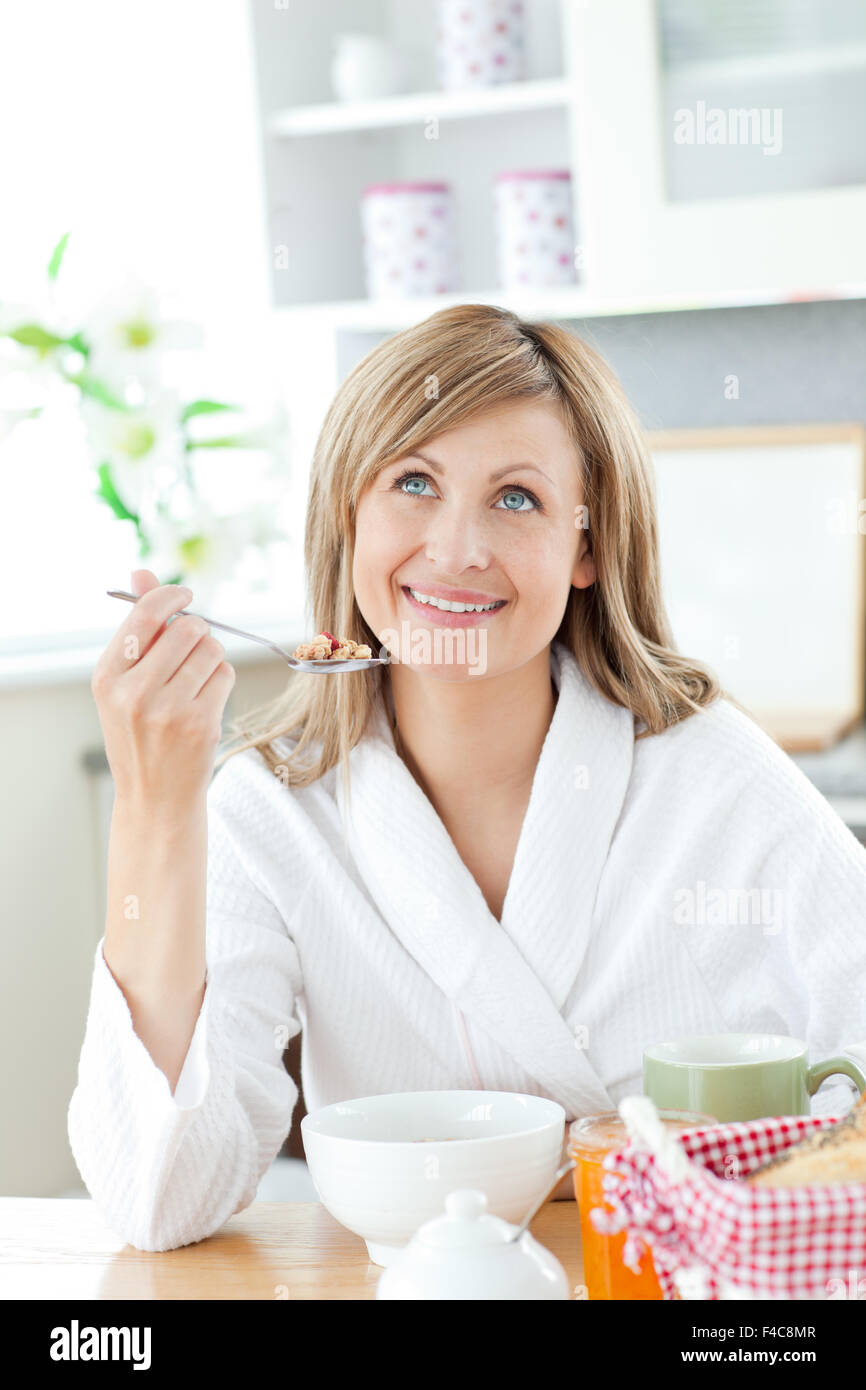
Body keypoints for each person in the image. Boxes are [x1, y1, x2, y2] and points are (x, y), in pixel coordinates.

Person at [69, 304, 866, 1252]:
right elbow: (159, 1200)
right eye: (414, 482)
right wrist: (154, 810)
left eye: (517, 498)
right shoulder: (273, 814)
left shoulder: (713, 776)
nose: (456, 548)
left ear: (587, 547)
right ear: (348, 518)